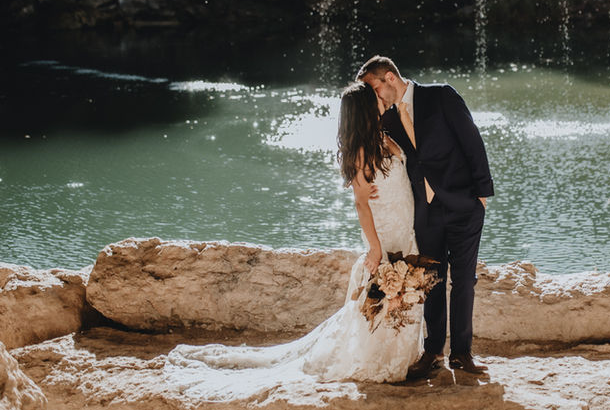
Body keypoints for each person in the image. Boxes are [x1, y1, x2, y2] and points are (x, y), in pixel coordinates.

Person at [164, 81, 423, 400]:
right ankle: (379, 360)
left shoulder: (385, 136)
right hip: (385, 232)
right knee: (385, 291)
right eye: (374, 99)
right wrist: (374, 247)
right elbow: (361, 203)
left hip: (405, 227)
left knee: (409, 289)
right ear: (364, 111)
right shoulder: (361, 151)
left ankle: (402, 356)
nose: (381, 100)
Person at [357, 55, 493, 379]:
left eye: (374, 88)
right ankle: (433, 352)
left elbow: (472, 142)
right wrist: (366, 187)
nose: (374, 97)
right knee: (432, 281)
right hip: (425, 212)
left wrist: (482, 196)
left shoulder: (441, 95)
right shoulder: (386, 120)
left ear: (390, 77)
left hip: (463, 205)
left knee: (464, 281)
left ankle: (462, 353)